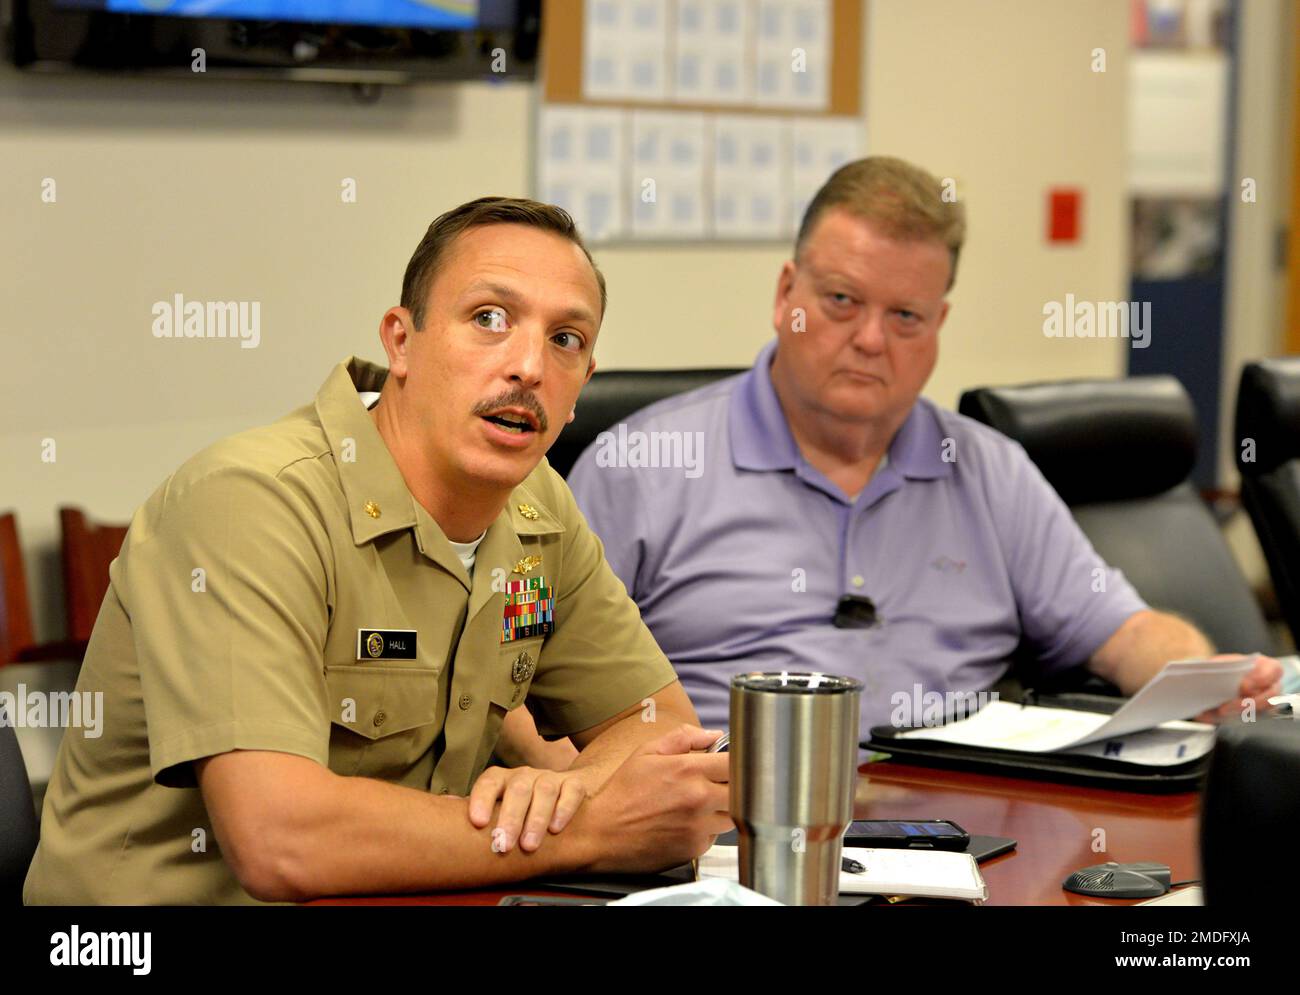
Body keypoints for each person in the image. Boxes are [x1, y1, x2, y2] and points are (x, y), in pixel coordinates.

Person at [25, 197, 730, 905]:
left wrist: (564, 792)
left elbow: (660, 729)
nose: (528, 365)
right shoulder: (250, 502)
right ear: (401, 342)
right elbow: (279, 838)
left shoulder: (537, 505)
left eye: (566, 339)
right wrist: (590, 830)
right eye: (488, 318)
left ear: (582, 387)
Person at [565, 156, 1281, 737]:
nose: (872, 340)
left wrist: (1203, 674)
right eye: (843, 301)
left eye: (905, 316)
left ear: (938, 325)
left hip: (967, 837)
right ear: (788, 294)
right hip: (731, 833)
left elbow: (1122, 632)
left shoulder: (987, 471)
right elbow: (535, 692)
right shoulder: (641, 471)